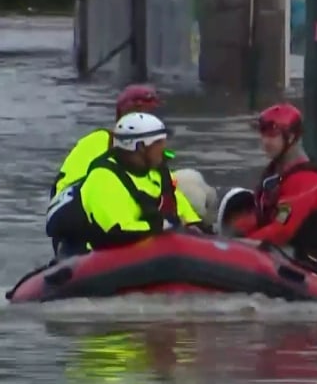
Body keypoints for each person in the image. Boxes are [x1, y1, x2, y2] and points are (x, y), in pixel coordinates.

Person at [47, 84, 164, 256]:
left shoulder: (153, 163)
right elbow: (74, 190)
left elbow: (170, 195)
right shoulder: (98, 150)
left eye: (149, 114)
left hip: (139, 223)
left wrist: (192, 224)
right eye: (138, 113)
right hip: (93, 228)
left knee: (190, 182)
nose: (144, 119)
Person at [233, 103, 317, 281]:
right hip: (278, 257)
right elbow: (260, 217)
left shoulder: (307, 180)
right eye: (263, 134)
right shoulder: (275, 174)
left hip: (304, 265)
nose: (265, 141)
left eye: (272, 135)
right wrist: (223, 235)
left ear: (290, 137)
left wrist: (236, 246)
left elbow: (281, 231)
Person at [76, 112, 205, 250]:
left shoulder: (158, 172)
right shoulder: (102, 178)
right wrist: (163, 226)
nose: (164, 147)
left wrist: (195, 226)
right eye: (158, 142)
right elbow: (118, 231)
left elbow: (179, 206)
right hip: (115, 256)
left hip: (161, 248)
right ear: (140, 147)